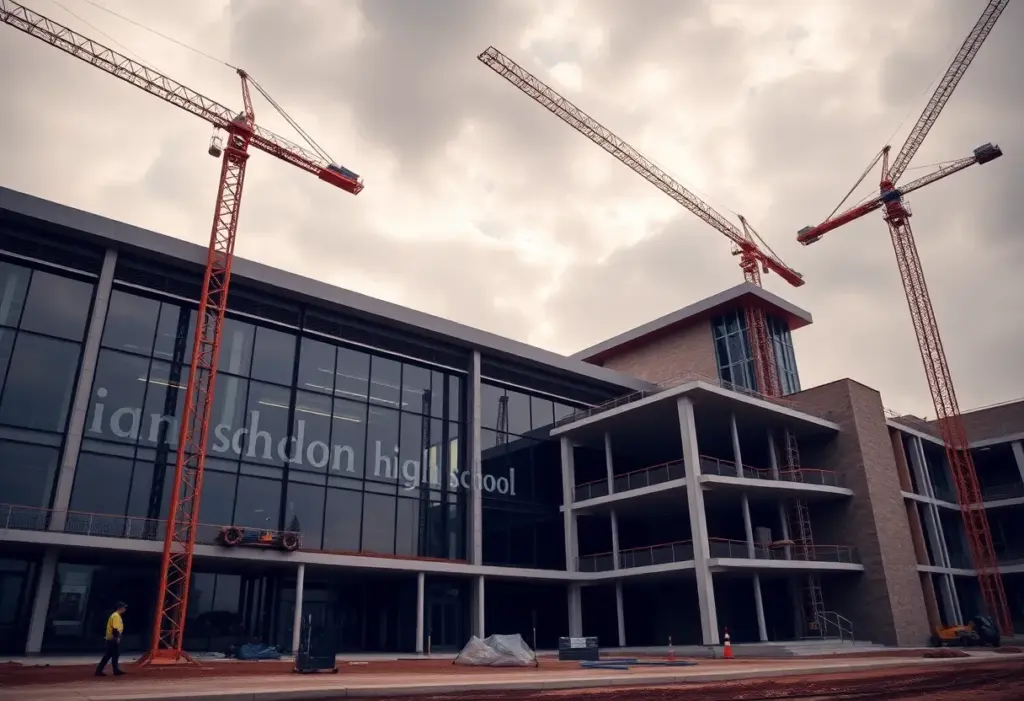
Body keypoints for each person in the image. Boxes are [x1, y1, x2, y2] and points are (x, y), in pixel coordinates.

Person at [95, 601, 128, 677]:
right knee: (111, 655)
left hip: (112, 638)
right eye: (124, 607)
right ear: (120, 608)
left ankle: (114, 670)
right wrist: (117, 638)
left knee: (112, 655)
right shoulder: (116, 616)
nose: (125, 609)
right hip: (113, 639)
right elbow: (115, 629)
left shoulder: (116, 615)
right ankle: (109, 670)